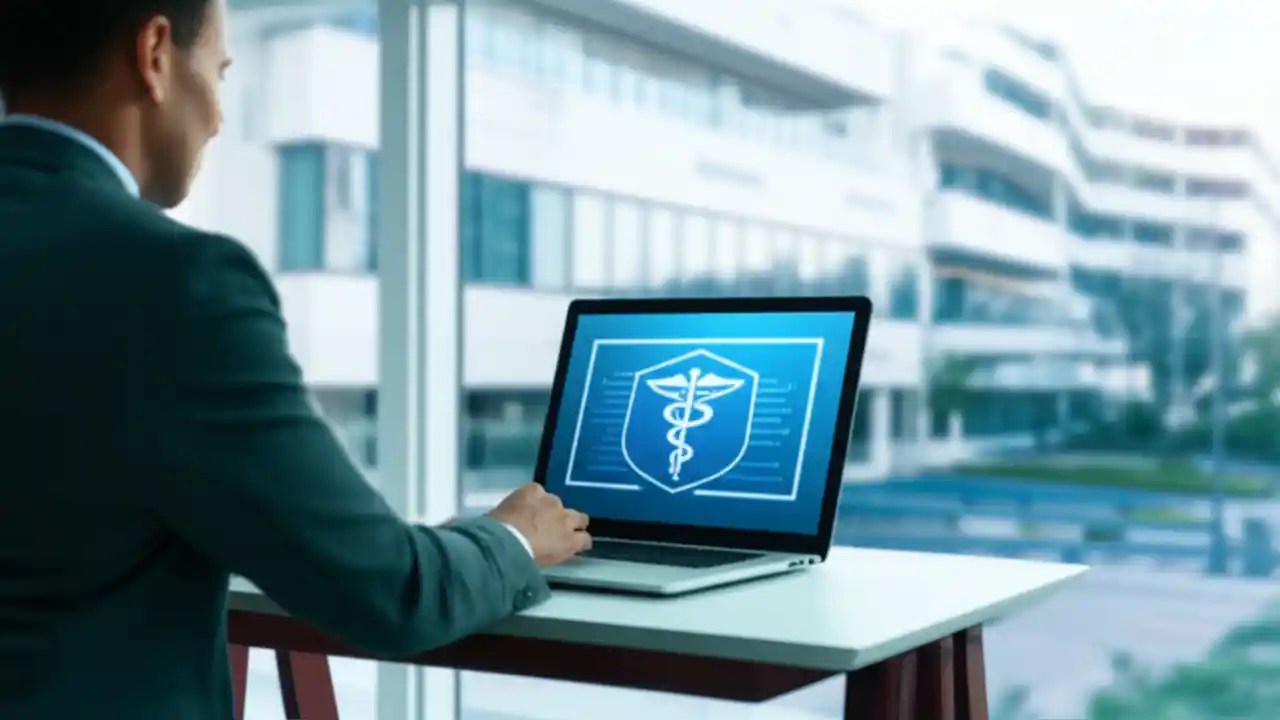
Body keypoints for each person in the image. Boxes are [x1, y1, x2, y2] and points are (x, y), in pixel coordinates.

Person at [0, 1, 591, 717]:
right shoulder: (174, 284)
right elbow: (386, 591)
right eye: (217, 73)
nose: (218, 118)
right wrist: (513, 539)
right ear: (156, 53)